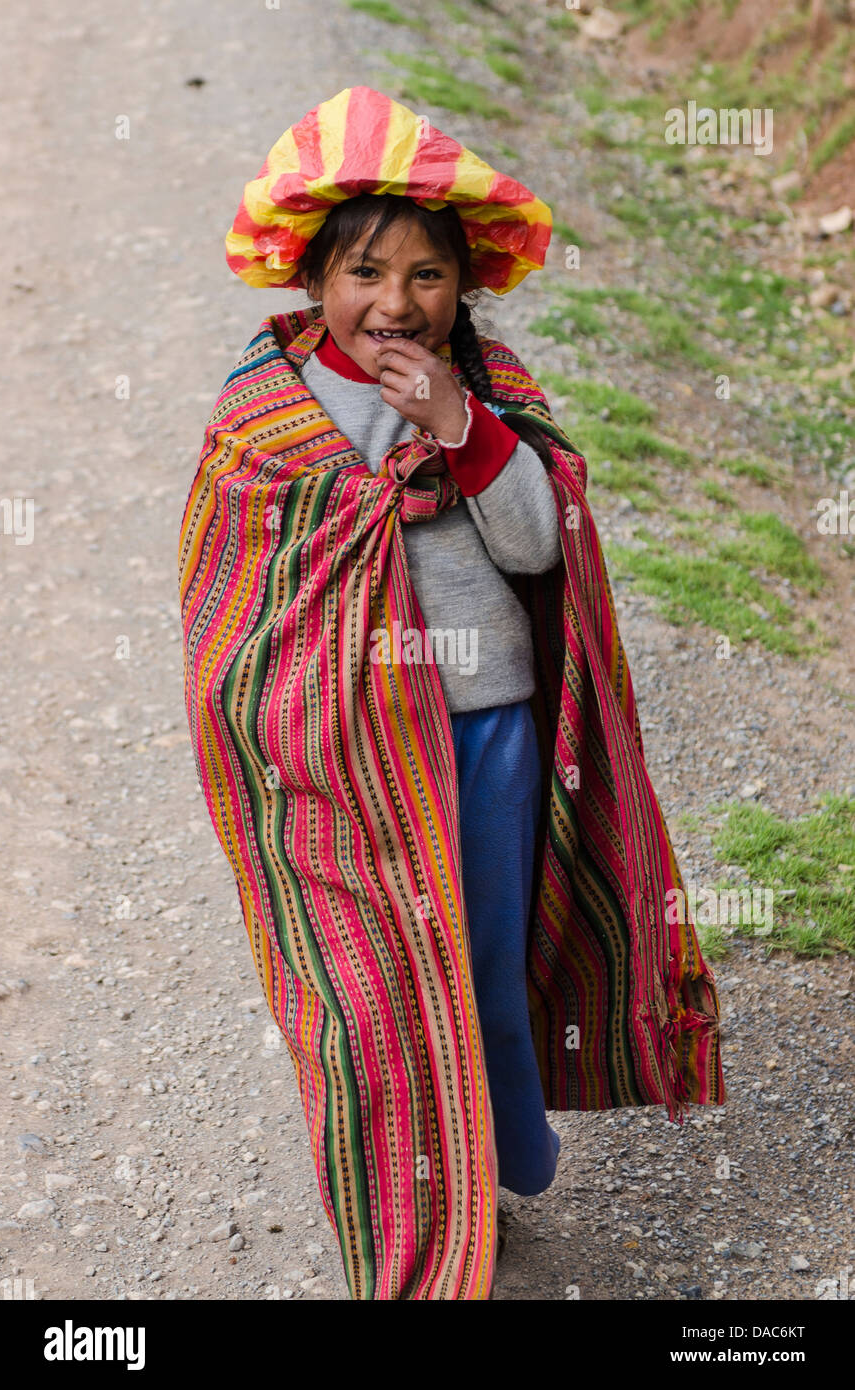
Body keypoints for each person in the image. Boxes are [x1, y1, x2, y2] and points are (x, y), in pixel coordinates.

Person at [179, 86, 724, 1301]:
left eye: (428, 277)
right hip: (335, 754)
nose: (395, 303)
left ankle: (489, 1167)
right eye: (365, 272)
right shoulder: (264, 414)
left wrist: (460, 427)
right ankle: (409, 1214)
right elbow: (240, 610)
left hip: (484, 735)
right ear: (314, 277)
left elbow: (541, 547)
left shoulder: (487, 386)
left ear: (463, 287)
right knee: (365, 993)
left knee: (475, 965)